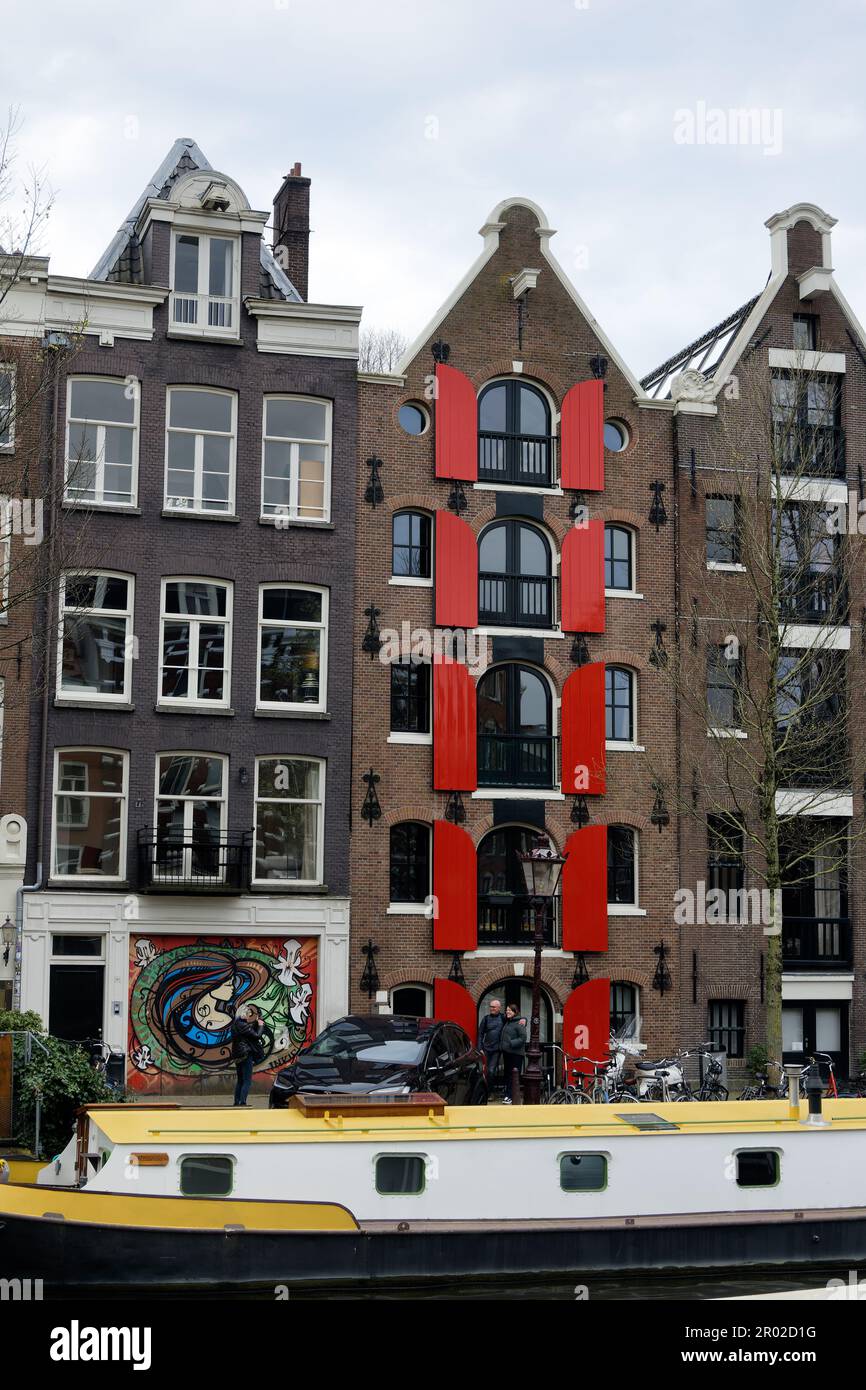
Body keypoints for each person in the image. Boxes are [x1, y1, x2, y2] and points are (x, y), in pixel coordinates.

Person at [231, 1004, 265, 1107]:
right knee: (247, 1081)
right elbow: (256, 1036)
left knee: (240, 1080)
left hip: (237, 1055)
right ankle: (243, 1103)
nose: (249, 1016)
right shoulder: (243, 1025)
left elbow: (248, 1033)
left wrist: (255, 1024)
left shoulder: (236, 1024)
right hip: (246, 1055)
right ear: (243, 1013)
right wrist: (261, 1025)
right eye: (248, 1014)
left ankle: (237, 1102)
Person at [477, 998, 505, 1097]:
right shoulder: (486, 1019)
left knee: (492, 1071)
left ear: (499, 1008)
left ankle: (490, 1092)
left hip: (496, 1050)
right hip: (485, 1049)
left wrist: (523, 1020)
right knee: (484, 1071)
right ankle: (485, 1092)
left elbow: (514, 1019)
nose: (491, 1008)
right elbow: (480, 1034)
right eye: (490, 1007)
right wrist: (480, 1048)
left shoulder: (503, 1018)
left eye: (493, 1007)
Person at [500, 1004, 527, 1104]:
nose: (507, 1012)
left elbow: (523, 1038)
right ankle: (507, 1095)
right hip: (507, 1053)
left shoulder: (519, 1023)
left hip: (516, 1054)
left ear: (515, 1012)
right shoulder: (508, 1021)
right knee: (507, 1075)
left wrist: (511, 1043)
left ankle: (511, 1096)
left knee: (513, 1075)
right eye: (506, 1010)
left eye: (510, 1010)